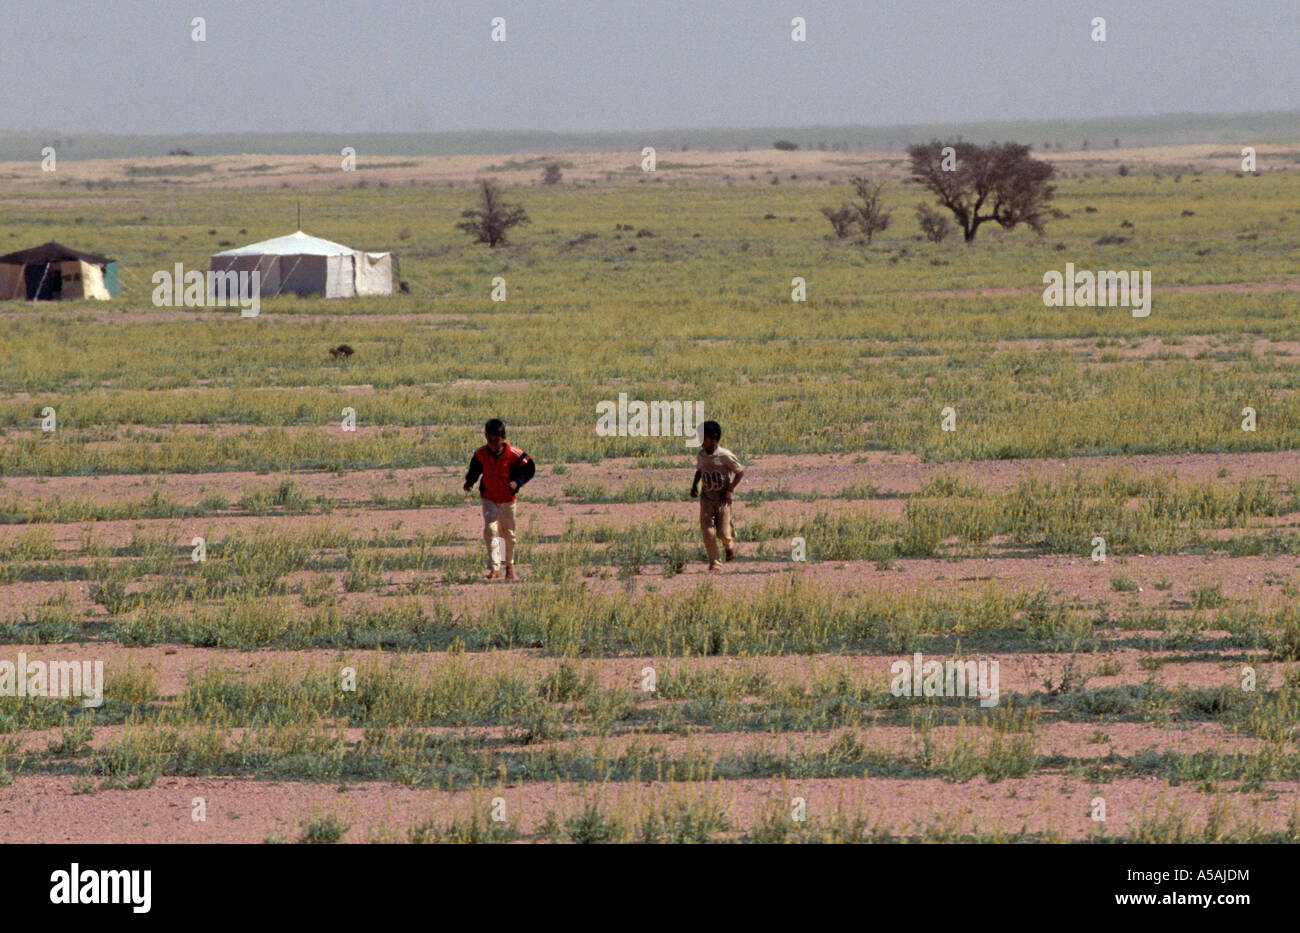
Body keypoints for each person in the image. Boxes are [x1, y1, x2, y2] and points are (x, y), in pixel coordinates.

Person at [462, 418, 535, 580]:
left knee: (508, 533)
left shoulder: (514, 454)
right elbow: (475, 468)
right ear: (486, 437)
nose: (493, 444)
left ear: (504, 438)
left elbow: (529, 468)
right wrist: (470, 481)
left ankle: (509, 566)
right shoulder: (481, 453)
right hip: (489, 497)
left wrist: (517, 482)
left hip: (507, 498)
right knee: (491, 529)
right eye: (490, 440)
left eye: (497, 441)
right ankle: (495, 567)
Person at [689, 420, 744, 573]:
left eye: (703, 437)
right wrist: (694, 486)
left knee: (723, 533)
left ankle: (729, 545)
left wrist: (730, 490)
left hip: (722, 501)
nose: (700, 441)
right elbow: (700, 471)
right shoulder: (701, 455)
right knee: (707, 532)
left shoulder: (724, 456)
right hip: (706, 499)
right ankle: (715, 563)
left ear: (713, 437)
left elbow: (740, 473)